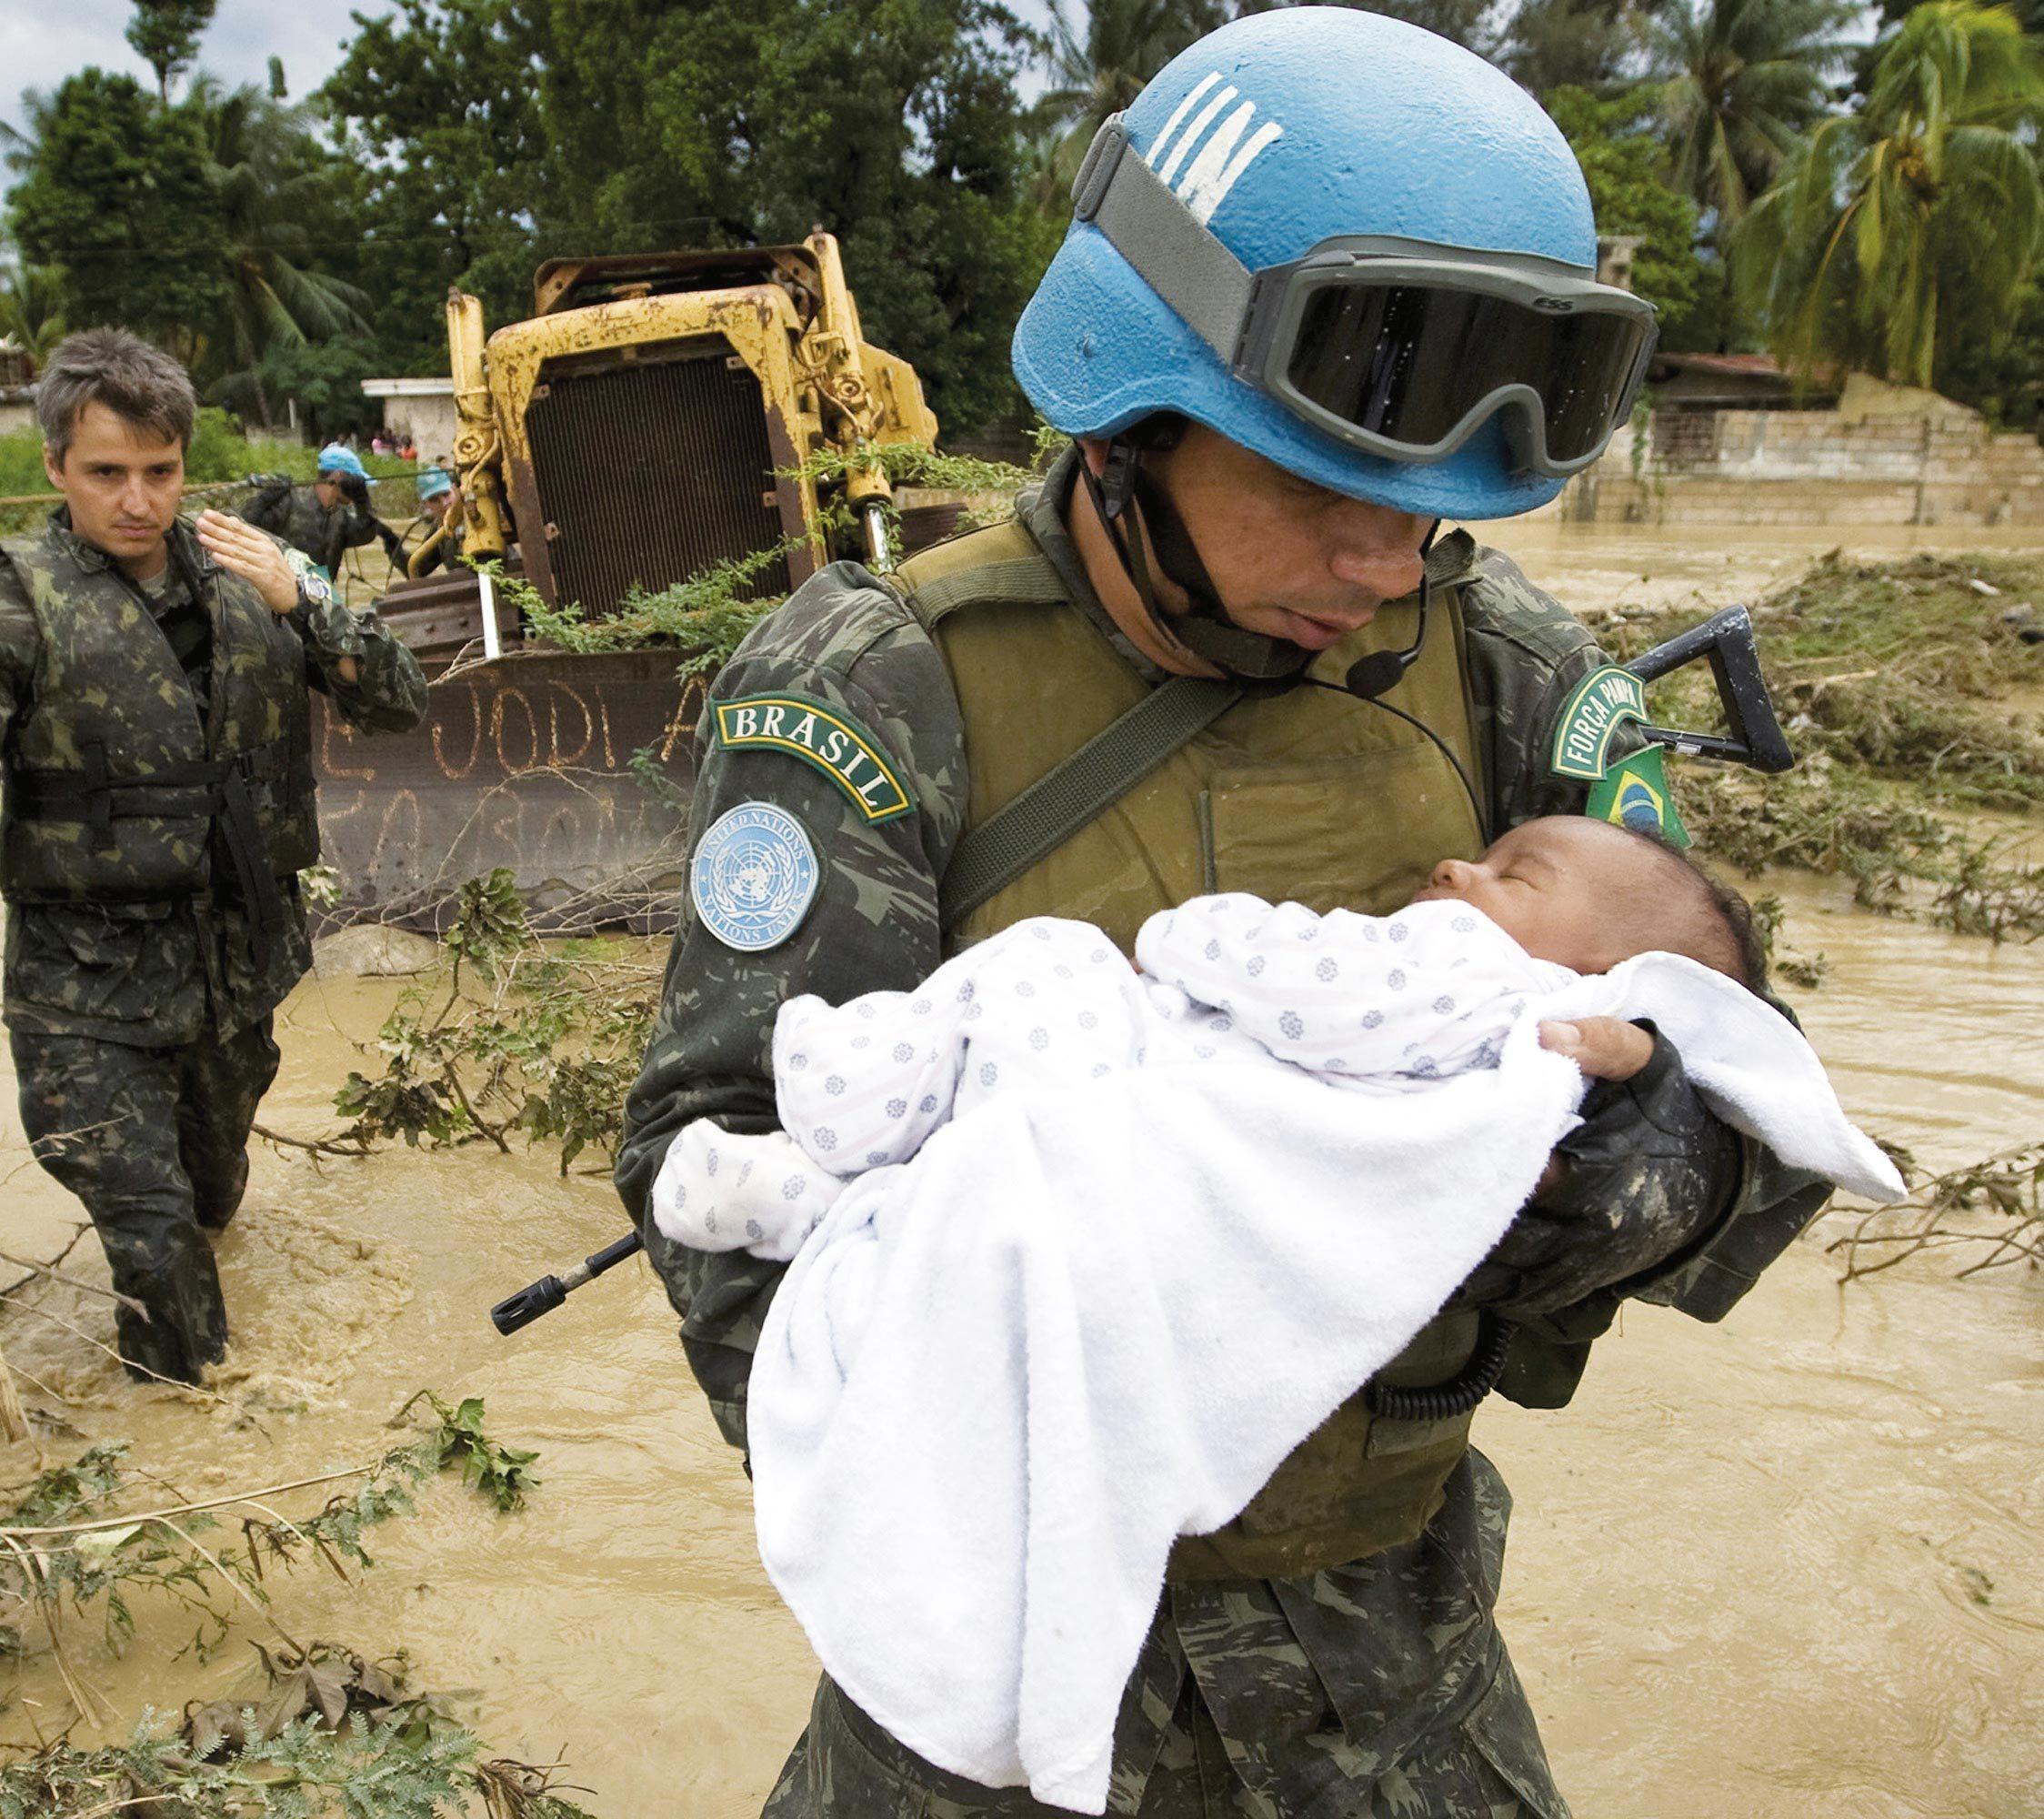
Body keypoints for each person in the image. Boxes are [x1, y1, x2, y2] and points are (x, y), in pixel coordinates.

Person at [614, 11, 1833, 1814]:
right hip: (990, 1682)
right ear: (1131, 414)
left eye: (1432, 518)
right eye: (1325, 487)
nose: (1381, 566)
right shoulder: (882, 683)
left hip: (1393, 1681)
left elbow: (1758, 1088)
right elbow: (714, 1160)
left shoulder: (1514, 681)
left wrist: (1647, 1163)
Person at [0, 328, 427, 1383]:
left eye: (160, 472)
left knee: (213, 1199)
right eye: (106, 473)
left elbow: (399, 702)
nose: (137, 500)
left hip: (232, 974)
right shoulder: (6, 603)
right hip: (85, 992)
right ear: (54, 468)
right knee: (157, 1234)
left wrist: (302, 602)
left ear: (185, 461)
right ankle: (196, 1449)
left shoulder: (250, 568)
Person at [656, 817, 1788, 1262]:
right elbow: (687, 1108)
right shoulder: (892, 660)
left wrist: (1626, 1164)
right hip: (998, 1556)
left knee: (1039, 980)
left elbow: (1747, 1089)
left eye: (1509, 873)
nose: (1451, 867)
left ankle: (851, 1180)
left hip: (1389, 1616)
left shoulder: (1505, 659)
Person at [240, 442, 390, 582]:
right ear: (339, 476)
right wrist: (264, 499)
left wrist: (363, 502)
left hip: (321, 601)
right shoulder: (288, 502)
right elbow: (242, 530)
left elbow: (366, 535)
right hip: (281, 597)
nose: (357, 487)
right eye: (355, 481)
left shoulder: (341, 517)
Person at [404, 466, 463, 578]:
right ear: (426, 504)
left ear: (455, 489)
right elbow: (419, 568)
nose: (444, 503)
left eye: (446, 494)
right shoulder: (438, 527)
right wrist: (388, 537)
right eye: (434, 500)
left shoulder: (476, 515)